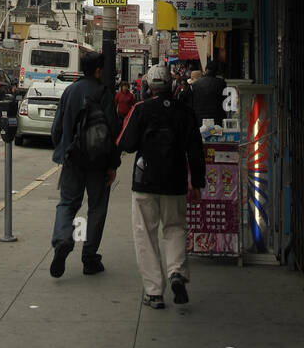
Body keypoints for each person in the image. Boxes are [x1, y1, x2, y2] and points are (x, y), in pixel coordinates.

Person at [117, 63, 205, 309]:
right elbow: (195, 151)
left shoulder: (140, 109)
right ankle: (176, 271)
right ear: (171, 84)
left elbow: (127, 143)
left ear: (148, 85)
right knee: (175, 227)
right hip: (175, 181)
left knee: (145, 234)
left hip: (145, 181)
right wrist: (197, 182)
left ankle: (154, 291)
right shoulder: (184, 112)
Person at [50, 52, 121, 278]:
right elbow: (113, 131)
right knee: (97, 207)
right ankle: (89, 257)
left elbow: (57, 129)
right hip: (99, 163)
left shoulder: (70, 91)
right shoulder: (104, 93)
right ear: (99, 71)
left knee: (68, 204)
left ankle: (63, 239)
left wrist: (63, 151)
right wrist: (113, 164)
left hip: (73, 159)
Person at [189, 62, 226, 128]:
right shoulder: (221, 83)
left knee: (202, 136)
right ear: (216, 71)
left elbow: (192, 102)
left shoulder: (195, 85)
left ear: (206, 70)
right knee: (215, 136)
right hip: (217, 118)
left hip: (199, 119)